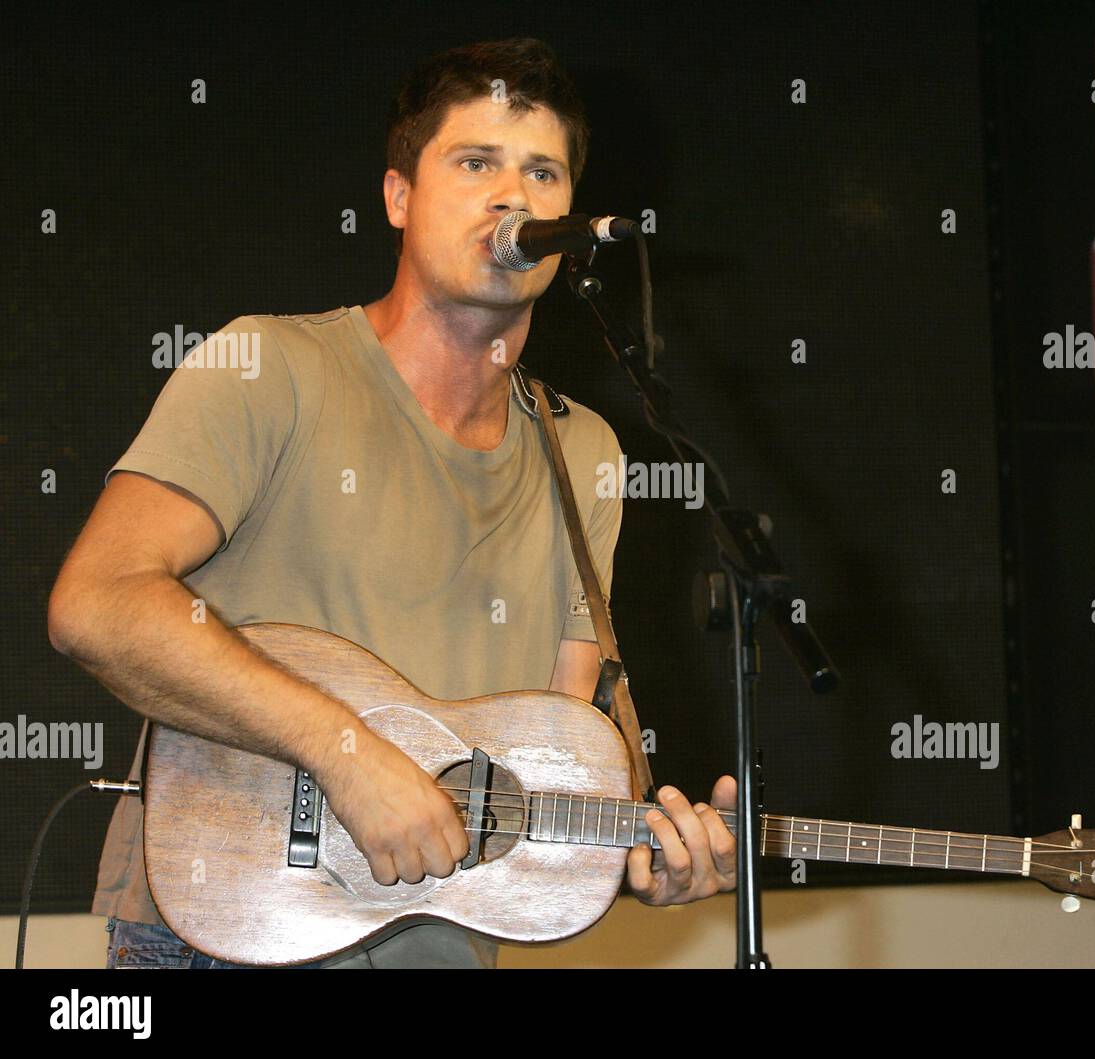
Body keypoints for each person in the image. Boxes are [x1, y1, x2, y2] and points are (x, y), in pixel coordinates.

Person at [48, 37, 737, 970]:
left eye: (543, 172)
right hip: (219, 924)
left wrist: (640, 847)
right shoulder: (268, 367)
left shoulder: (585, 450)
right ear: (398, 198)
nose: (514, 197)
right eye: (475, 162)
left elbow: (564, 723)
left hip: (439, 943)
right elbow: (97, 603)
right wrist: (346, 752)